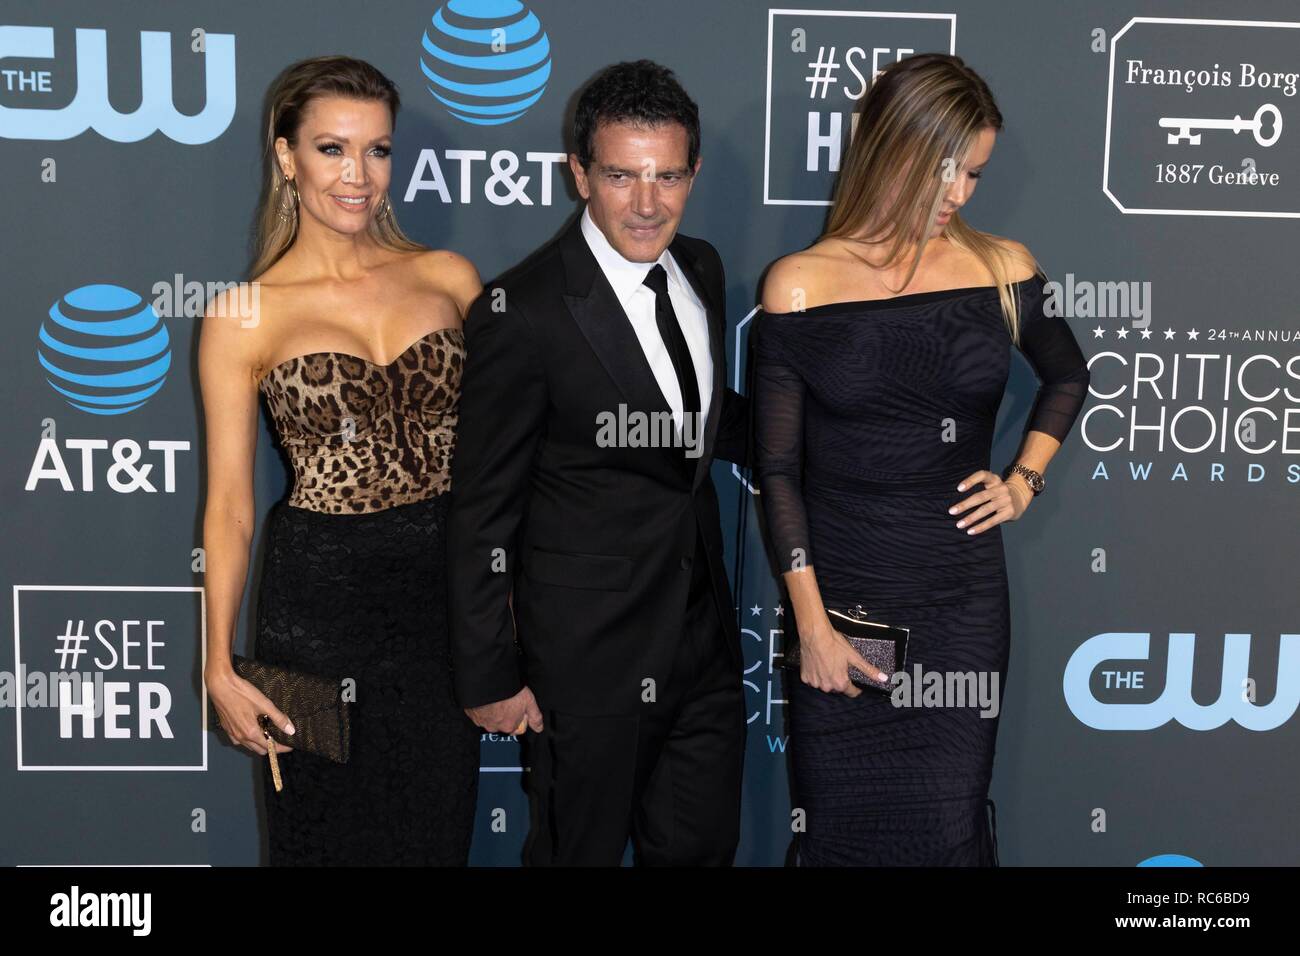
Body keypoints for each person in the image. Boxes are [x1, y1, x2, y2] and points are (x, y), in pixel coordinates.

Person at [753, 52, 1091, 866]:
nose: (959, 196)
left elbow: (1069, 373)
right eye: (944, 171)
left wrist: (1023, 482)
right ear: (887, 149)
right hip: (848, 608)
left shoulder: (1002, 268)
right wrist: (814, 627)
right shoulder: (800, 285)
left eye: (974, 174)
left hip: (960, 604)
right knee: (841, 828)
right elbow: (777, 472)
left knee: (947, 825)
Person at [446, 60, 750, 866]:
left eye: (668, 176)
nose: (648, 204)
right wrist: (490, 675)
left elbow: (701, 423)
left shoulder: (705, 270)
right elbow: (482, 509)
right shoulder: (525, 311)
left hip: (704, 646)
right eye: (620, 175)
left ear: (693, 173)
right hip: (586, 663)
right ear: (579, 172)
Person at [200, 56, 482, 865]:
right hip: (316, 613)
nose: (358, 176)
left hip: (442, 612)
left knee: (435, 836)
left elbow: (508, 457)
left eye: (378, 150)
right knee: (318, 843)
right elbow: (228, 508)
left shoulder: (450, 278)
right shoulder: (244, 315)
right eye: (332, 149)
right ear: (286, 156)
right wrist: (218, 664)